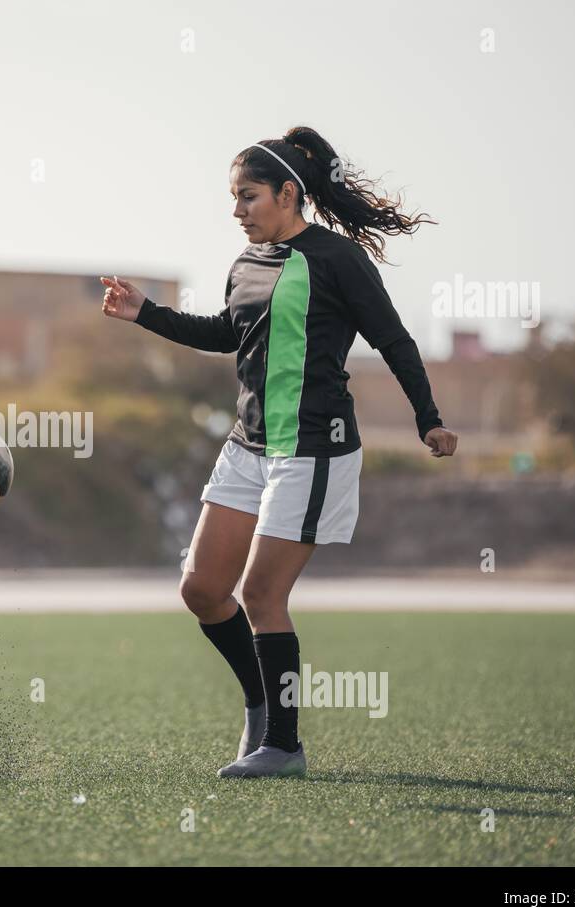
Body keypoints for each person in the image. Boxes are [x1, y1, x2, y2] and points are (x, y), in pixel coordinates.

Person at [99, 126, 458, 778]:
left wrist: (428, 419)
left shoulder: (338, 260)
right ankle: (260, 703)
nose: (237, 210)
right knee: (204, 589)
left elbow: (395, 341)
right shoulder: (246, 264)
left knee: (263, 594)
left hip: (315, 449)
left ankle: (283, 746)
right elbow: (224, 334)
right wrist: (144, 313)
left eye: (248, 196)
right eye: (233, 199)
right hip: (247, 445)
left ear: (288, 193)